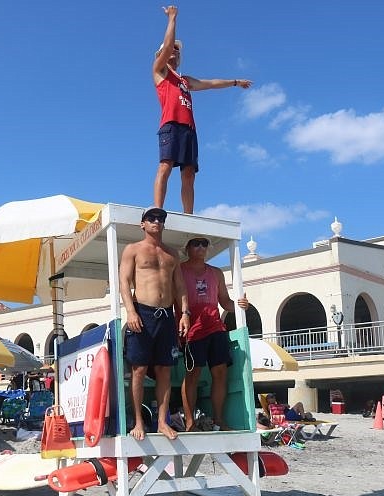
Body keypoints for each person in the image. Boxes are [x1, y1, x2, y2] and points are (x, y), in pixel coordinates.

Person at [152, 6, 252, 214]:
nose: (175, 52)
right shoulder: (160, 71)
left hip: (188, 129)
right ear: (163, 54)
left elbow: (211, 83)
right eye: (172, 50)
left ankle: (189, 215)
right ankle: (157, 210)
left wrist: (234, 82)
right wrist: (172, 18)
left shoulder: (185, 80)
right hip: (170, 125)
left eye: (178, 52)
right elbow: (169, 44)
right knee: (165, 166)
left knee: (189, 174)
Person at [120, 206, 190, 440]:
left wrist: (185, 313)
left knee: (165, 369)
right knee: (138, 369)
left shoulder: (172, 254)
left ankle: (162, 421)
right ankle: (138, 421)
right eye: (151, 218)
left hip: (167, 315)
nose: (156, 222)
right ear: (142, 224)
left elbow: (180, 286)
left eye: (160, 219)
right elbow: (124, 281)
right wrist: (131, 311)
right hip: (143, 313)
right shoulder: (133, 250)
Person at [179, 235, 249, 431]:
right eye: (195, 243)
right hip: (191, 329)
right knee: (193, 374)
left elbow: (225, 301)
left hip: (216, 327)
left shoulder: (216, 273)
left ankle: (219, 419)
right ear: (187, 248)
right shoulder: (179, 270)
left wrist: (240, 305)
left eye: (204, 244)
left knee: (220, 373)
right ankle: (190, 421)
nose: (201, 247)